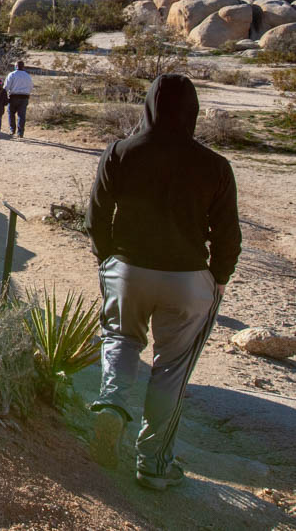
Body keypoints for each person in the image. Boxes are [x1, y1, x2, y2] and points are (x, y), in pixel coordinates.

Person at [84, 73, 240, 491]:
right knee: (172, 369)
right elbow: (228, 235)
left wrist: (108, 261)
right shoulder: (216, 166)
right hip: (188, 280)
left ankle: (112, 406)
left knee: (120, 339)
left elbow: (96, 218)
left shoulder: (120, 152)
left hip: (129, 271)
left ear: (149, 105)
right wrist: (219, 278)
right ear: (192, 111)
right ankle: (153, 464)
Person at [3, 60, 33, 137]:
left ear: (16, 66)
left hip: (14, 97)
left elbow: (6, 87)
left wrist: (4, 96)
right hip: (25, 97)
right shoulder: (28, 76)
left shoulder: (12, 74)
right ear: (23, 67)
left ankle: (12, 130)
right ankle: (20, 133)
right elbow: (31, 87)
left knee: (11, 113)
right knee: (21, 115)